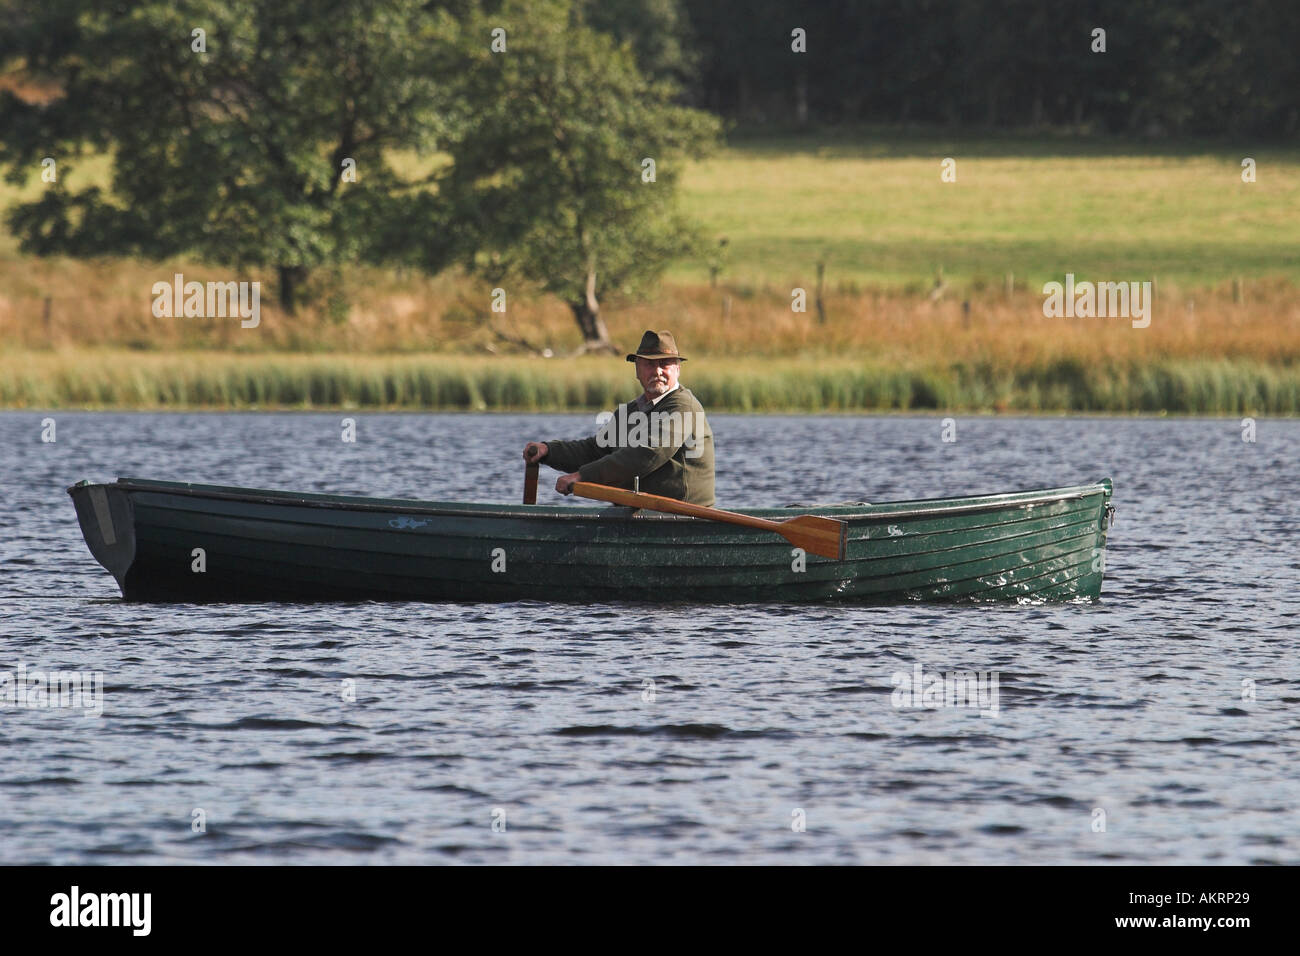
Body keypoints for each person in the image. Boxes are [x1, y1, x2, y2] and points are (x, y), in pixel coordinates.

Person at [522, 330, 715, 506]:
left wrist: (583, 476)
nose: (657, 371)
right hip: (643, 519)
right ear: (637, 370)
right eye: (649, 364)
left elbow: (647, 453)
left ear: (677, 369)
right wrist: (549, 451)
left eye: (664, 364)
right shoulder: (630, 412)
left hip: (683, 521)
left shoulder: (683, 407)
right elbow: (596, 451)